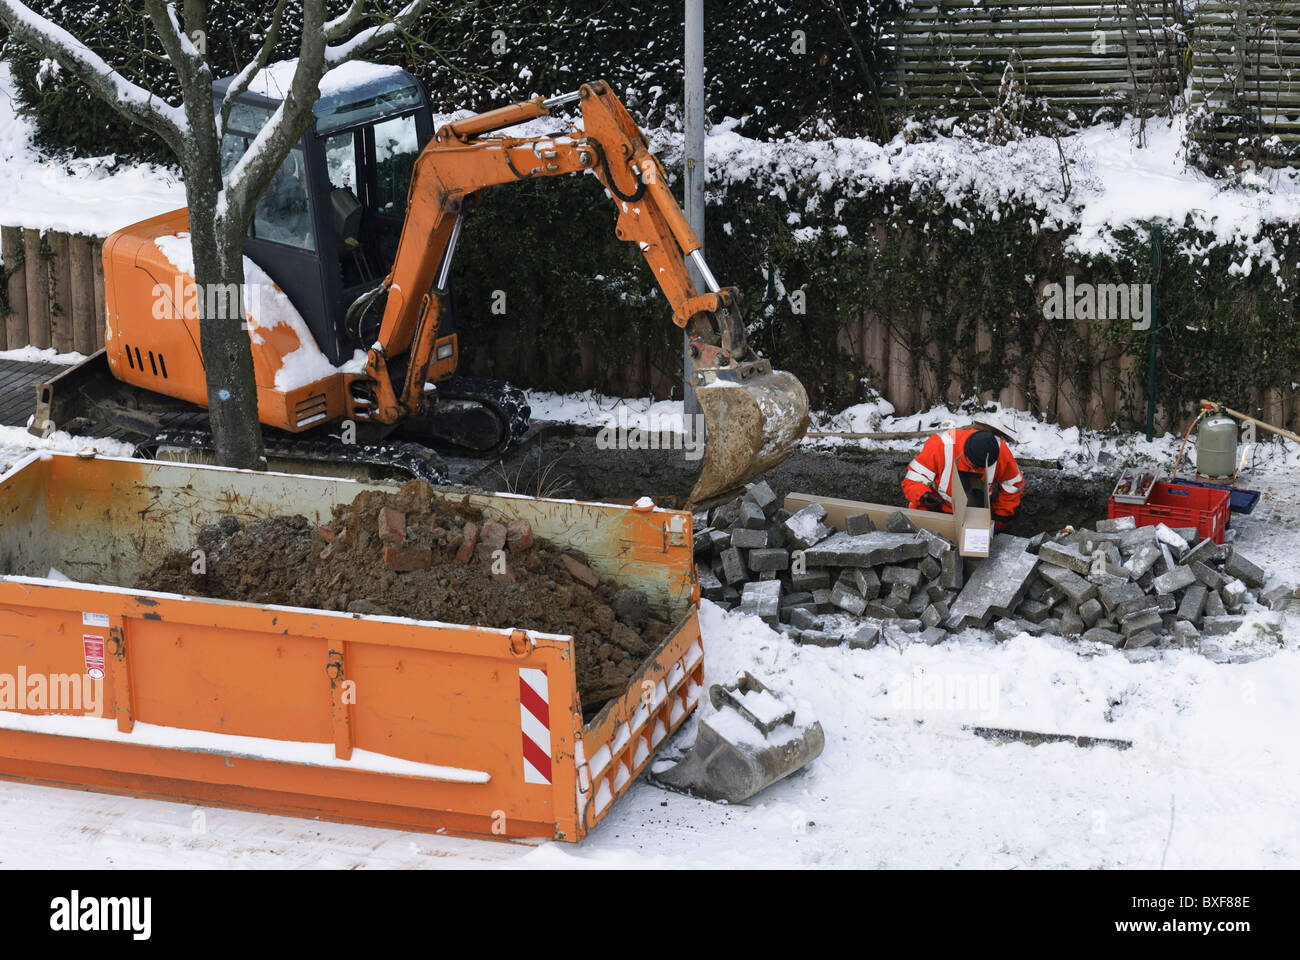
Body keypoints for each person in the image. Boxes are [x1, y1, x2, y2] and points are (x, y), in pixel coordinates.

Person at [901, 427, 1023, 532]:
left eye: (982, 467)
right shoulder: (940, 445)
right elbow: (912, 482)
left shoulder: (1000, 451)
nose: (977, 469)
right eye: (975, 466)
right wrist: (923, 496)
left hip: (973, 515)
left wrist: (1001, 517)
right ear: (966, 453)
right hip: (934, 507)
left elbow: (1013, 485)